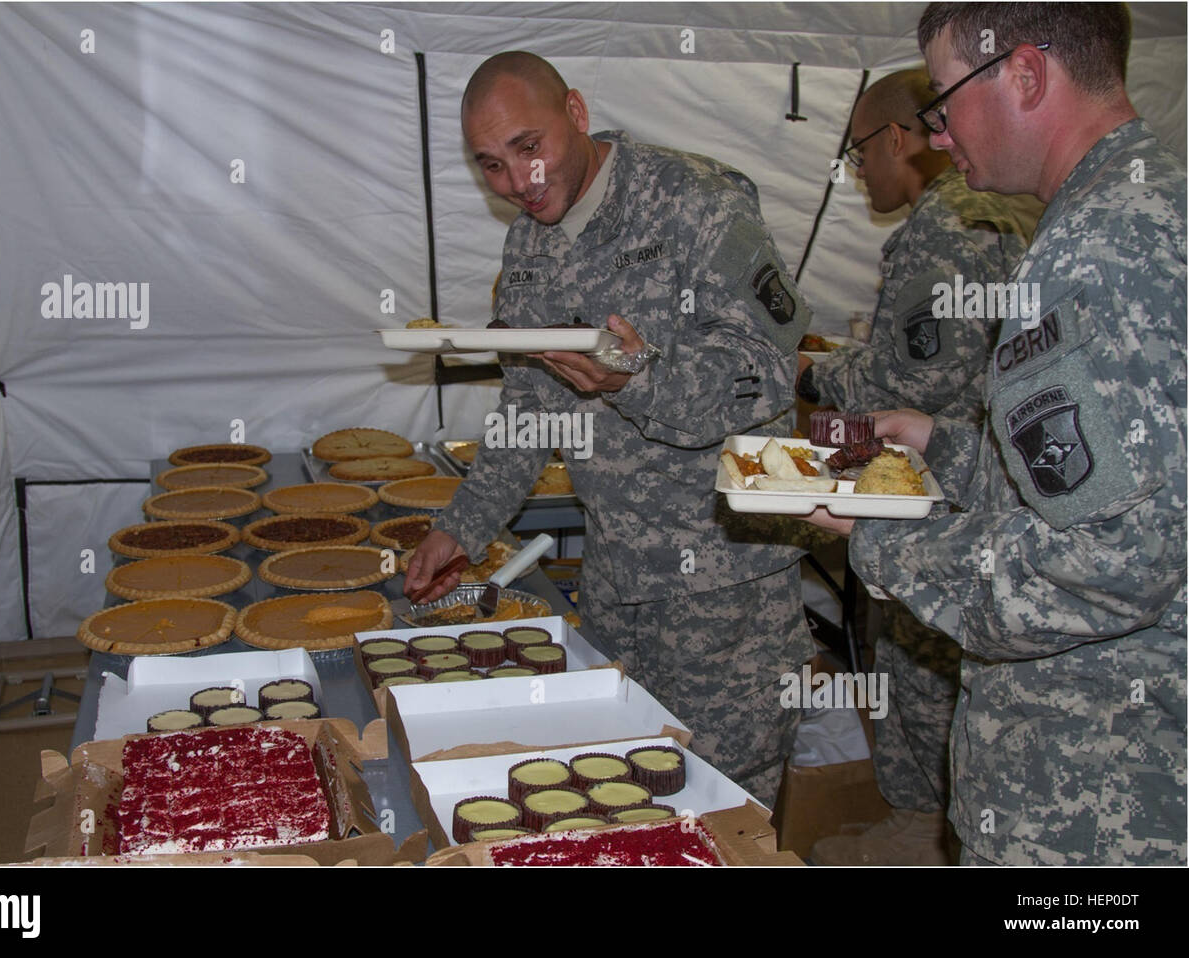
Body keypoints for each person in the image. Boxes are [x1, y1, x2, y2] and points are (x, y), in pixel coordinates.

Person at [805, 3, 1186, 865]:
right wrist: (943, 445)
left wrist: (881, 538)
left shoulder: (1095, 255)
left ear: (1024, 73)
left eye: (943, 101)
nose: (937, 136)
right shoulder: (1149, 206)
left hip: (1093, 803)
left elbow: (1103, 570)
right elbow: (1108, 483)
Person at [405, 51, 814, 805]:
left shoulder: (698, 200)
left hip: (724, 588)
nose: (518, 182)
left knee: (722, 806)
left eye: (530, 147)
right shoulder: (528, 245)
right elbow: (528, 408)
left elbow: (767, 372)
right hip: (617, 576)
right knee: (615, 792)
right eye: (490, 165)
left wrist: (639, 379)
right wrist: (460, 528)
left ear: (579, 115)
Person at [800, 68, 1041, 865]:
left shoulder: (941, 229)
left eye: (860, 152)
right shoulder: (1019, 212)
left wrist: (811, 373)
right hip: (1012, 486)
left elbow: (902, 385)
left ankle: (921, 832)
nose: (860, 171)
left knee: (920, 660)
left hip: (943, 493)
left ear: (897, 138)